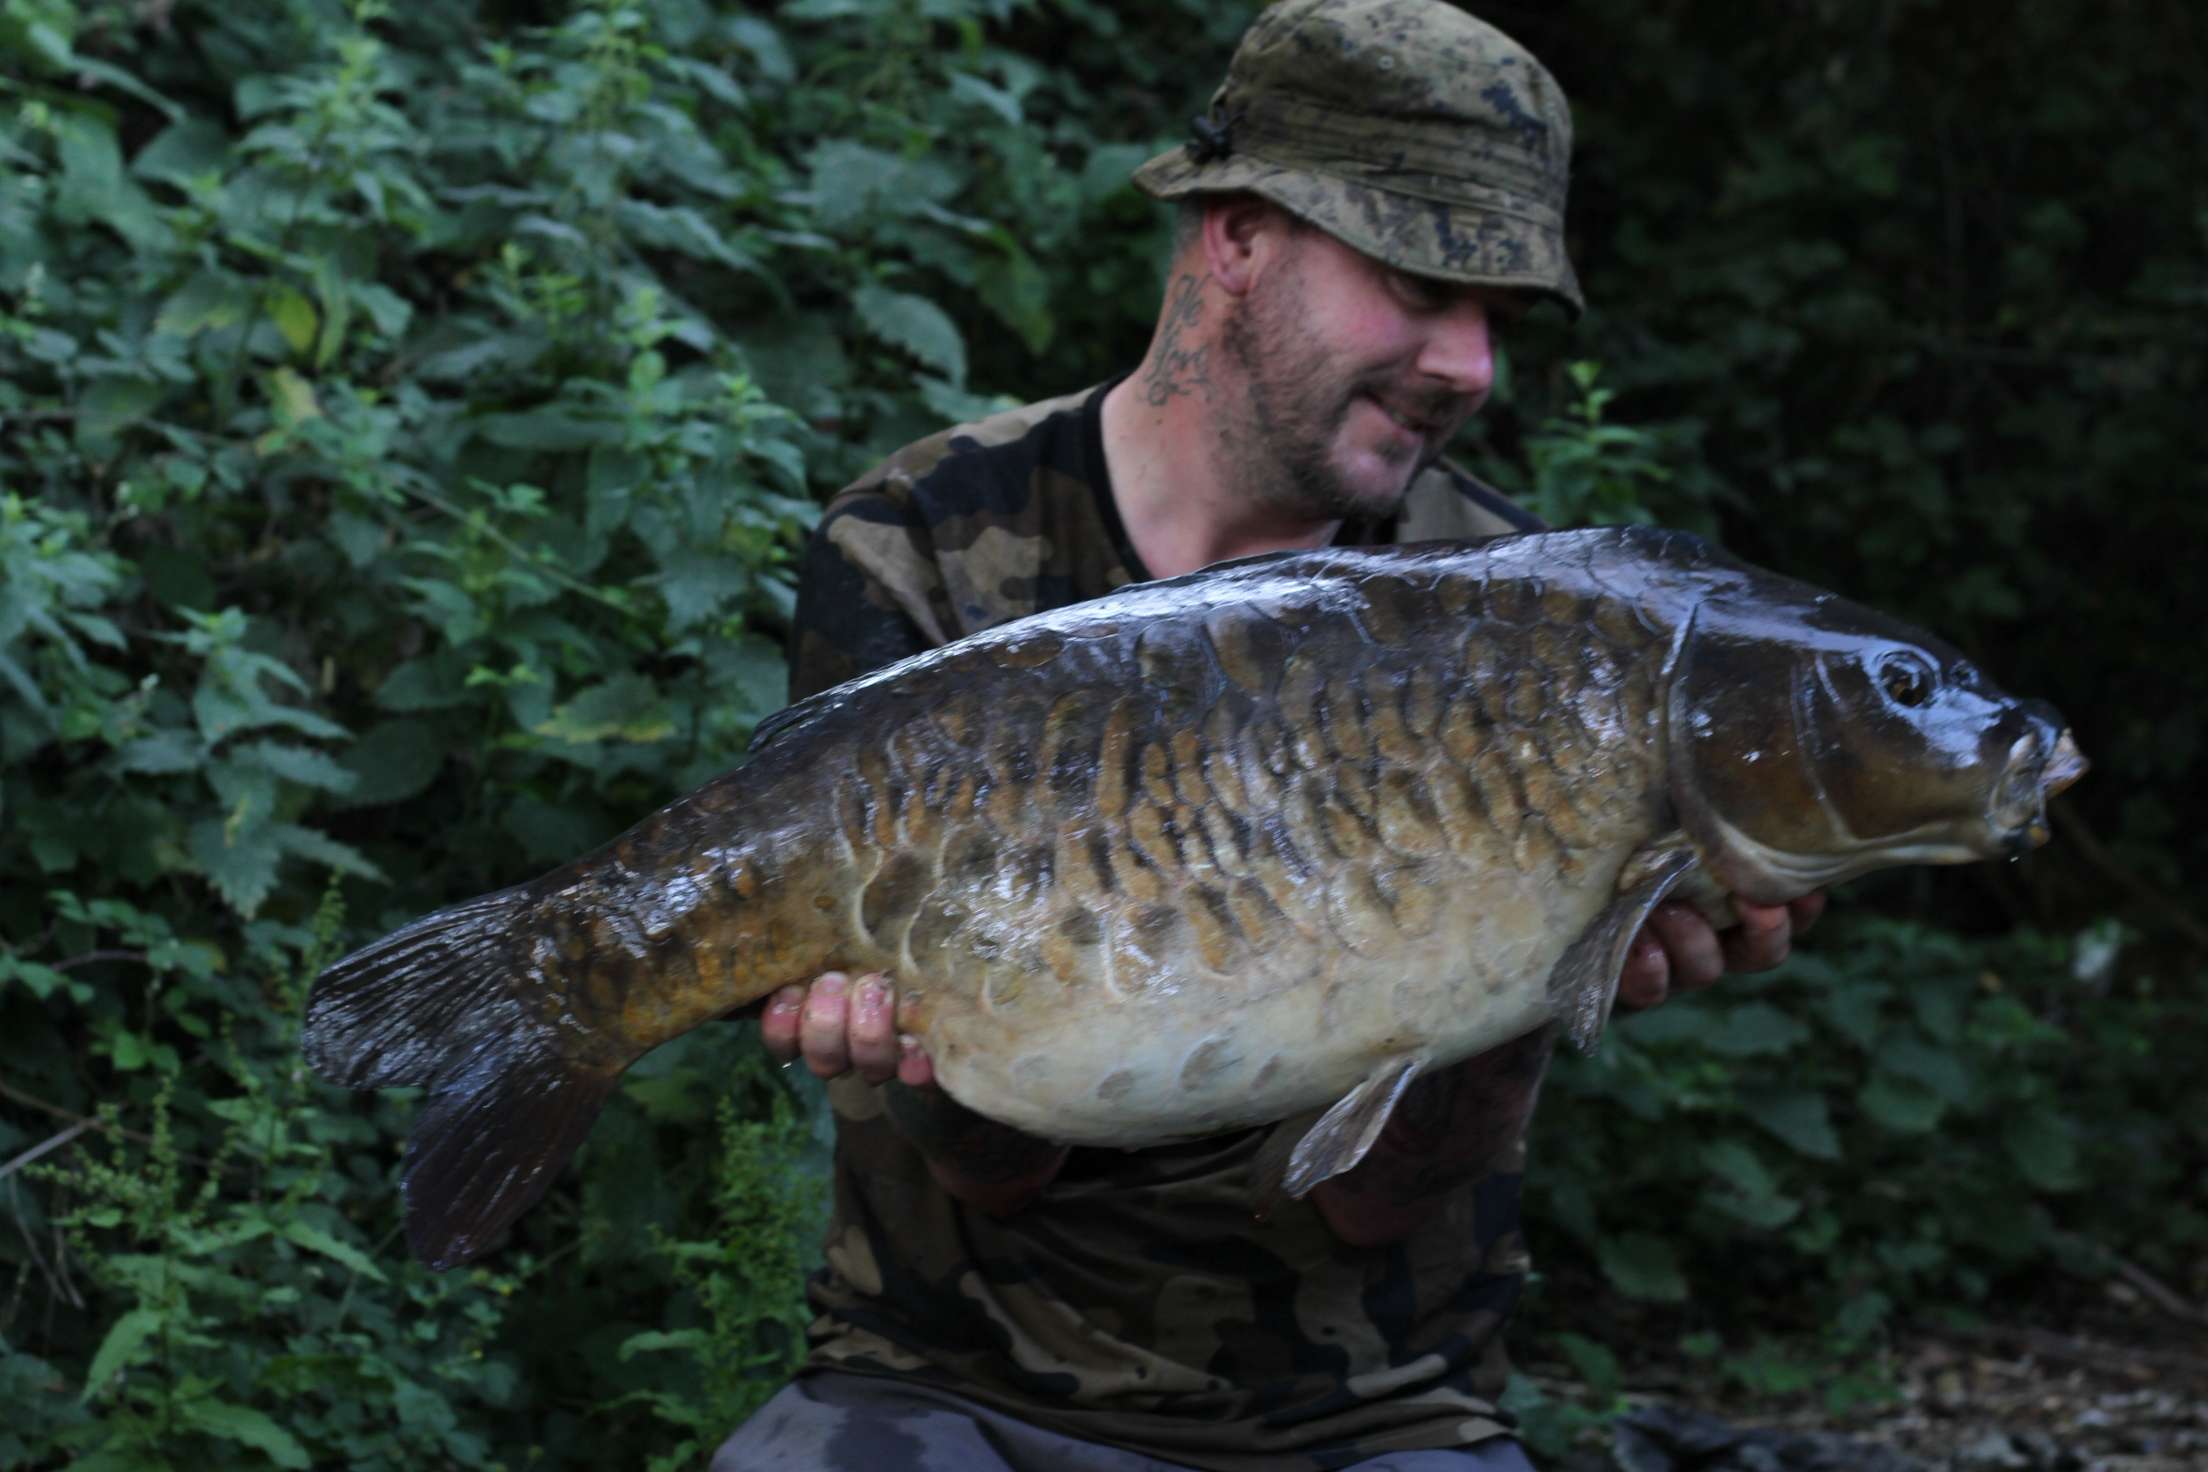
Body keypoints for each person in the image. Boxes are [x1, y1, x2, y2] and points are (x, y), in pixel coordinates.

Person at [713, 2, 1821, 1467]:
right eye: (1423, 284)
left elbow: (1374, 1205)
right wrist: (893, 1059)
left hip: (1366, 1413)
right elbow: (992, 1178)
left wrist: (1553, 973)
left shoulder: (1535, 616)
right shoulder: (925, 534)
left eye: (1497, 315)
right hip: (952, 1382)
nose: (1469, 365)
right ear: (1236, 234)